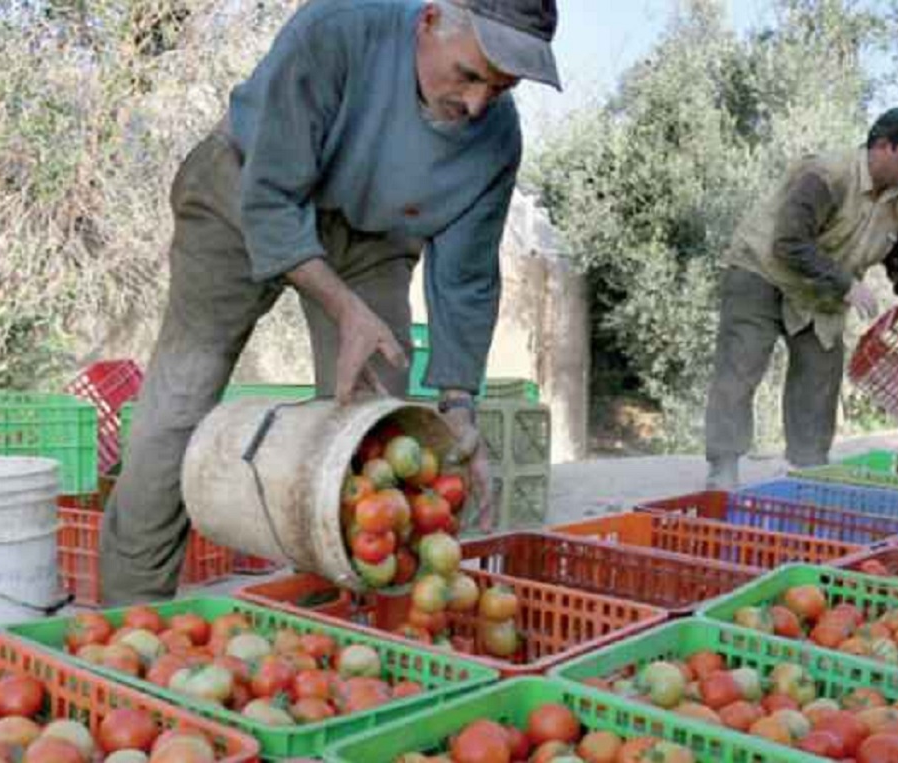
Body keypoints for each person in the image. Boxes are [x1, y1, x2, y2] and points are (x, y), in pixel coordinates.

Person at [100, 0, 561, 606]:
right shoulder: (338, 30)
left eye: (501, 88)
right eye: (471, 75)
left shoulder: (496, 139)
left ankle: (343, 623)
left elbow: (467, 279)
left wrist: (458, 404)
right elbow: (270, 200)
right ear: (428, 21)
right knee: (181, 402)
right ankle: (127, 619)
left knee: (375, 420)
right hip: (241, 189)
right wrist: (344, 309)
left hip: (369, 235)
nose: (477, 104)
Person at [703, 106, 898, 489]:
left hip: (820, 288)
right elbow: (789, 243)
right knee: (740, 365)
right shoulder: (826, 175)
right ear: (883, 146)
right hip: (763, 271)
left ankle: (809, 469)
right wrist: (847, 284)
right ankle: (723, 466)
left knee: (820, 375)